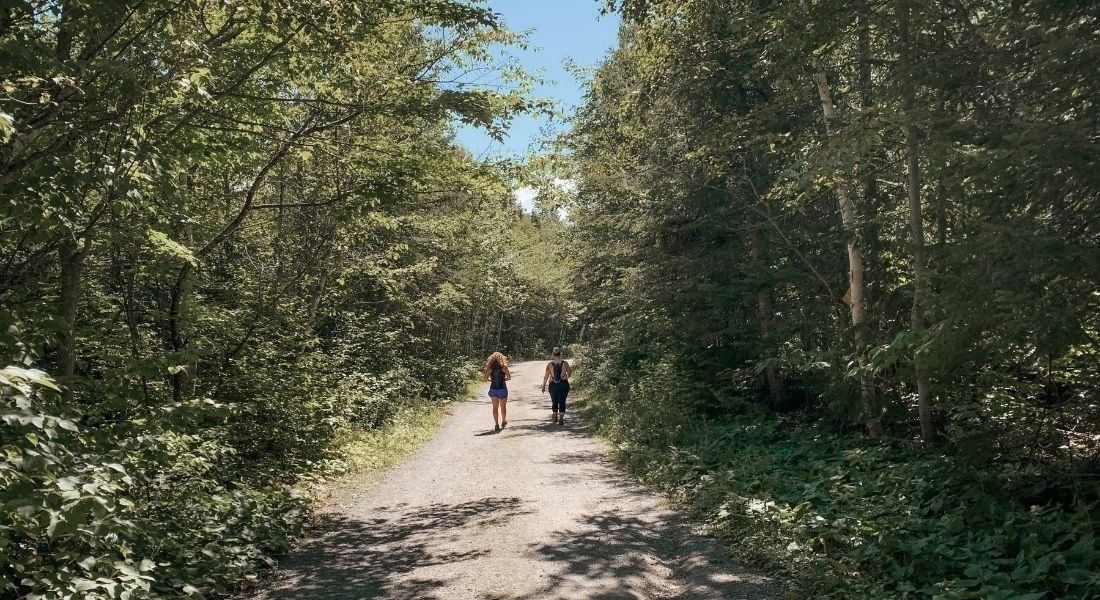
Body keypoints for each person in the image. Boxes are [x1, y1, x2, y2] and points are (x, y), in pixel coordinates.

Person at [541, 347, 571, 425]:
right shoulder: (565, 363)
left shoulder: (550, 364)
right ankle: (561, 418)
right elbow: (570, 374)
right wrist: (564, 375)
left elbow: (546, 376)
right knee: (562, 401)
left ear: (553, 354)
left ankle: (555, 415)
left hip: (553, 385)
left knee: (554, 400)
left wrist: (543, 386)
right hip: (563, 384)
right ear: (560, 354)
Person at [483, 352, 511, 432]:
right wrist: (503, 379)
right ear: (501, 358)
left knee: (495, 407)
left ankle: (496, 424)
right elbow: (509, 378)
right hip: (502, 389)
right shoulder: (504, 367)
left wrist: (491, 380)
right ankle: (503, 421)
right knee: (503, 407)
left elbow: (485, 379)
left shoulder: (489, 368)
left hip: (493, 389)